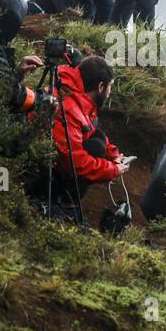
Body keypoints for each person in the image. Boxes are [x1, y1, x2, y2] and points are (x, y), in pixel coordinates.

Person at [47, 54, 131, 218]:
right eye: (110, 87)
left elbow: (89, 131)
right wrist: (113, 170)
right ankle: (65, 204)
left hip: (53, 161)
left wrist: (113, 154)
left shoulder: (76, 95)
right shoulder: (69, 108)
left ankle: (66, 204)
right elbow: (76, 164)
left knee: (98, 138)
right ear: (100, 86)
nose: (109, 93)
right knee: (95, 147)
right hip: (44, 174)